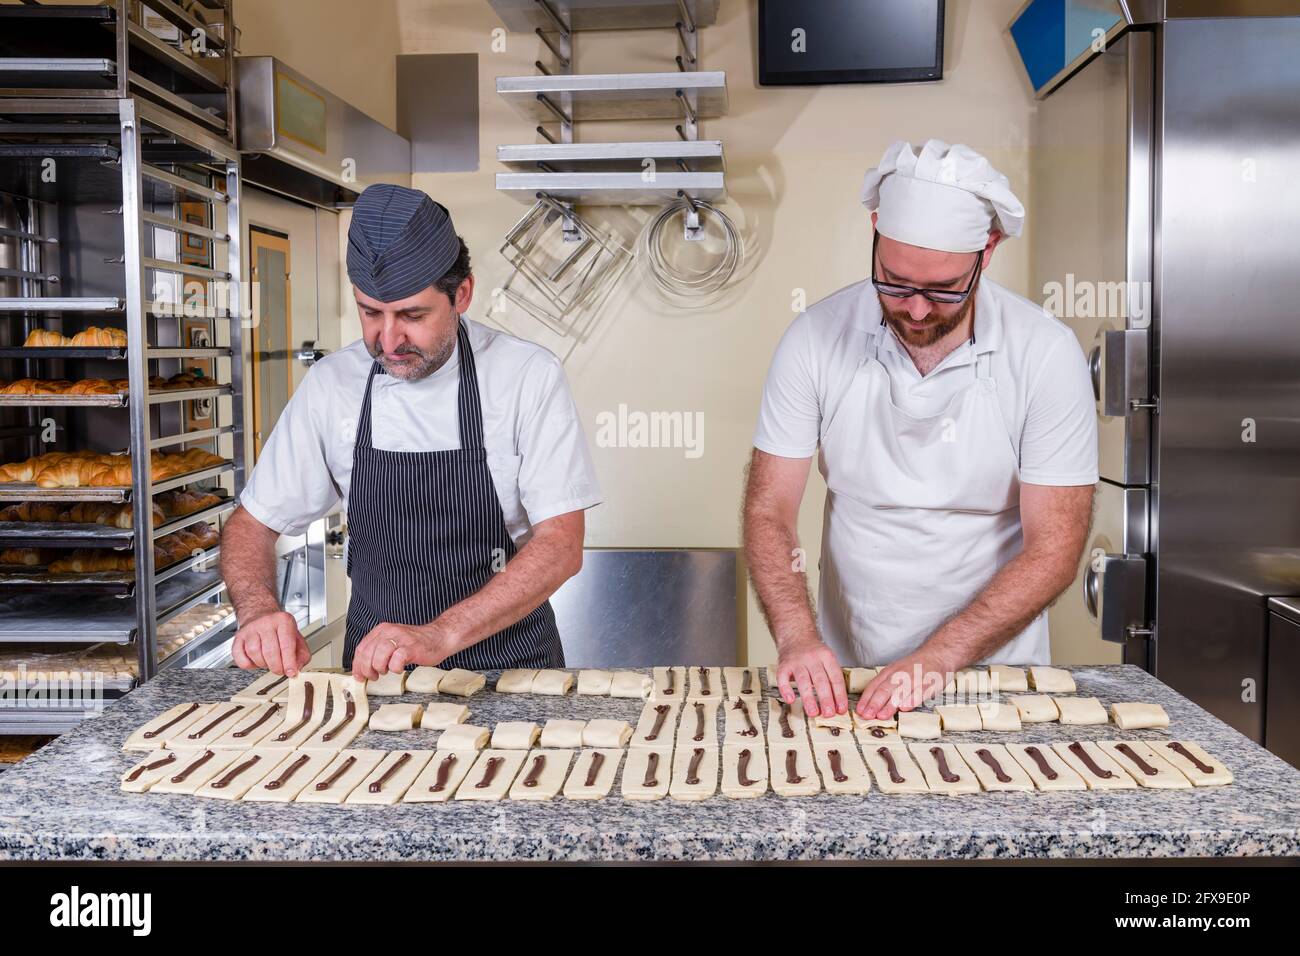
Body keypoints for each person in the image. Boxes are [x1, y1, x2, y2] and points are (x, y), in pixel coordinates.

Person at [743, 139, 1097, 720]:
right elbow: (769, 509)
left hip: (994, 680)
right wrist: (797, 639)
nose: (914, 310)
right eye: (894, 282)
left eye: (942, 291)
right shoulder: (814, 339)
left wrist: (937, 659)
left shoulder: (1044, 355)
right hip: (850, 674)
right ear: (876, 228)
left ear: (989, 249)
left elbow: (1054, 549)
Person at [221, 184, 601, 680]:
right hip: (377, 679)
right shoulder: (333, 383)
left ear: (462, 293)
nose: (389, 339)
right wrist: (257, 610)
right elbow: (251, 526)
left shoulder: (526, 375)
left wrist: (438, 634)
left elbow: (561, 547)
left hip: (513, 673)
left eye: (413, 315)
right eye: (370, 312)